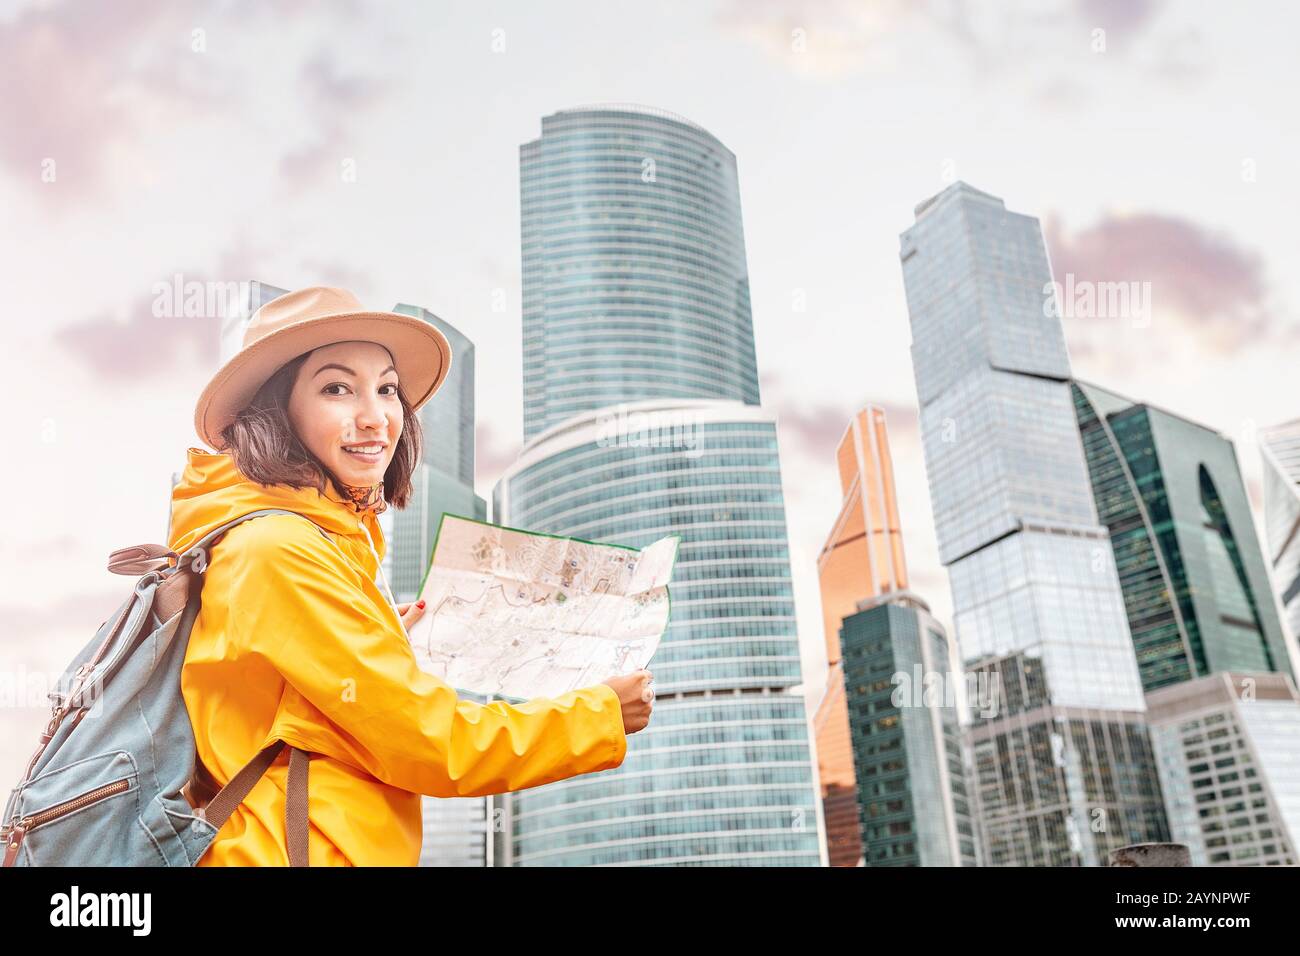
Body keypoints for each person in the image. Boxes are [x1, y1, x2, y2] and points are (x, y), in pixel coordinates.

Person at [168, 286, 654, 866]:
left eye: (387, 388)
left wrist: (376, 638)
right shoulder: (281, 547)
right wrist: (597, 716)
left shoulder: (292, 539)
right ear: (276, 409)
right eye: (336, 388)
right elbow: (431, 742)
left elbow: (280, 700)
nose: (375, 418)